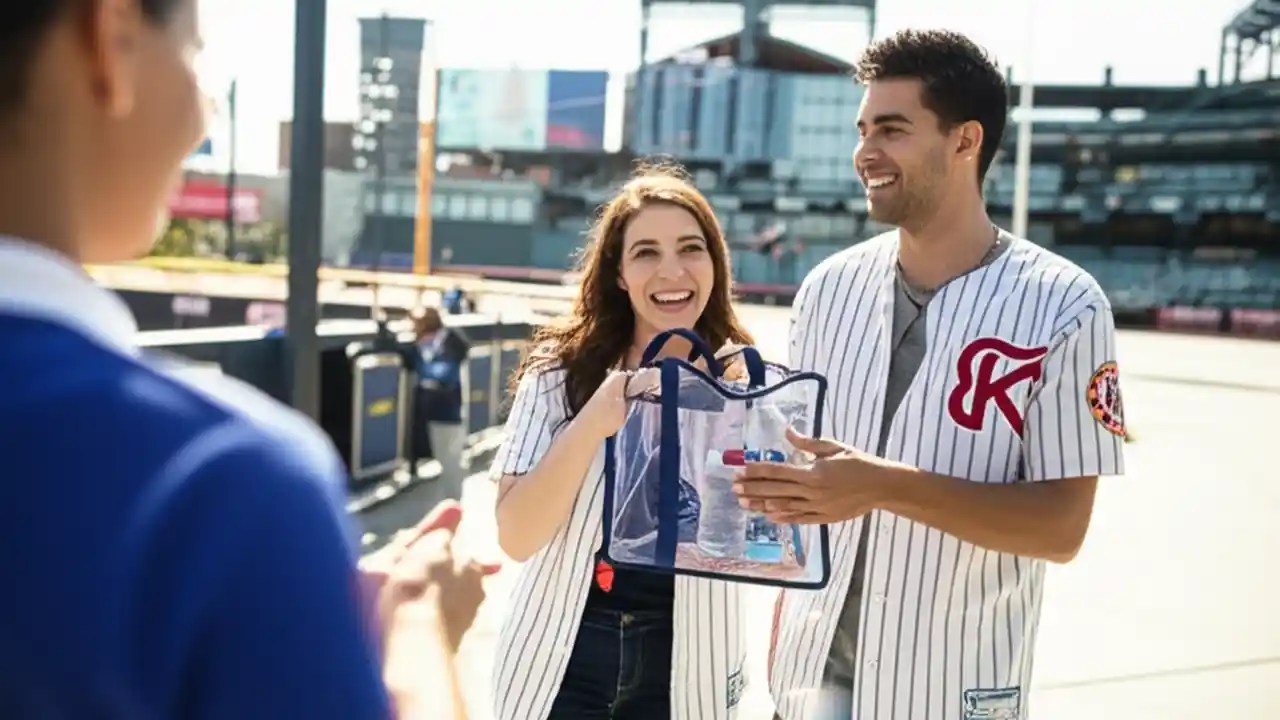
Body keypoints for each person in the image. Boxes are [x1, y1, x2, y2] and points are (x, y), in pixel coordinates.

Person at [0, 2, 494, 718]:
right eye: (196, 53)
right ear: (109, 41)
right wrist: (417, 621)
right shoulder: (217, 481)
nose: (205, 115)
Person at [733, 30, 1127, 720]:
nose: (865, 153)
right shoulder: (828, 288)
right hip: (805, 687)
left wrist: (881, 487)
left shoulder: (1066, 302)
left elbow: (1062, 528)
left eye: (892, 129)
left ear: (965, 140)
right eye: (862, 130)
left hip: (948, 689)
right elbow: (795, 481)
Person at [488, 166, 757, 720]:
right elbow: (516, 537)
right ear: (617, 273)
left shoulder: (749, 383)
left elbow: (766, 542)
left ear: (715, 262)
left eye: (690, 248)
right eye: (645, 253)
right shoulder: (559, 375)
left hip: (688, 659)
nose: (672, 271)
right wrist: (596, 419)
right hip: (564, 653)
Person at [410, 305, 471, 474]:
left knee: (451, 461)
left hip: (448, 411)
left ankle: (454, 498)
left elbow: (444, 373)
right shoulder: (418, 346)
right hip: (426, 410)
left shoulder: (452, 341)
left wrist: (428, 374)